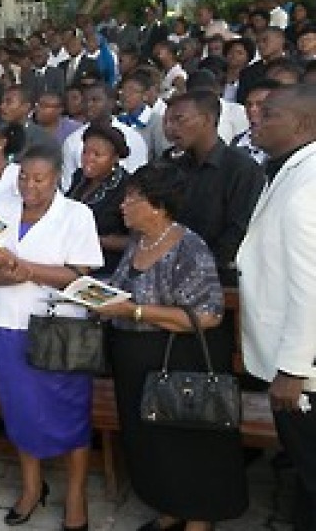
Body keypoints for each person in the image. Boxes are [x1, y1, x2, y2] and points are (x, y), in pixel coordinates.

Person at [93, 162, 247, 531]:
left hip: (179, 361)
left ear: (158, 205)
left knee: (186, 444)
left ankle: (198, 517)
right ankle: (169, 507)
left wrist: (136, 311)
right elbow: (119, 287)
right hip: (135, 363)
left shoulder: (188, 247)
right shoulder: (139, 242)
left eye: (132, 198)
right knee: (151, 442)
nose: (122, 205)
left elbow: (208, 315)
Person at [0, 146, 104, 531]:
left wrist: (27, 270)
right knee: (20, 409)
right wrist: (5, 275)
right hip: (8, 325)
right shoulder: (0, 211)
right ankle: (31, 487)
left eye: (40, 178)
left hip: (60, 327)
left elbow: (78, 274)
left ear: (58, 177)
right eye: (24, 176)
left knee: (70, 410)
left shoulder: (76, 215)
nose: (29, 185)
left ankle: (75, 496)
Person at [238, 84, 316, 530]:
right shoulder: (291, 169)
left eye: (269, 115)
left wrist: (292, 369)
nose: (257, 120)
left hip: (302, 372)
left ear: (301, 124)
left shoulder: (307, 184)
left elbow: (310, 286)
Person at [162, 90, 265, 285]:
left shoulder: (242, 169)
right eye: (168, 121)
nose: (172, 128)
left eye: (179, 120)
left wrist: (200, 266)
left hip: (216, 277)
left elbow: (238, 230)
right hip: (171, 271)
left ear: (207, 120)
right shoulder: (174, 166)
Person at [65, 124, 132, 276]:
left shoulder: (127, 188)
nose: (89, 159)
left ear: (115, 158)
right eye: (85, 152)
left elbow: (134, 240)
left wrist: (93, 239)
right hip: (69, 260)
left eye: (97, 154)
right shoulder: (79, 177)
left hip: (105, 269)